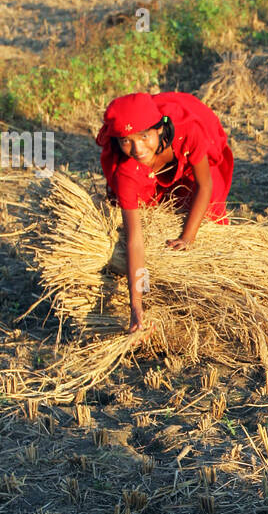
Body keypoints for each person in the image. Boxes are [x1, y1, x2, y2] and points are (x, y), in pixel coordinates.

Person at [96, 90, 234, 333]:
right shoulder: (127, 172)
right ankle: (152, 292)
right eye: (126, 140)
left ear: (158, 129)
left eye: (143, 136)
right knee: (162, 209)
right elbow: (135, 241)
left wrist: (188, 237)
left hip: (190, 130)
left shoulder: (188, 131)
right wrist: (135, 307)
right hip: (148, 171)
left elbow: (204, 184)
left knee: (208, 210)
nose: (137, 148)